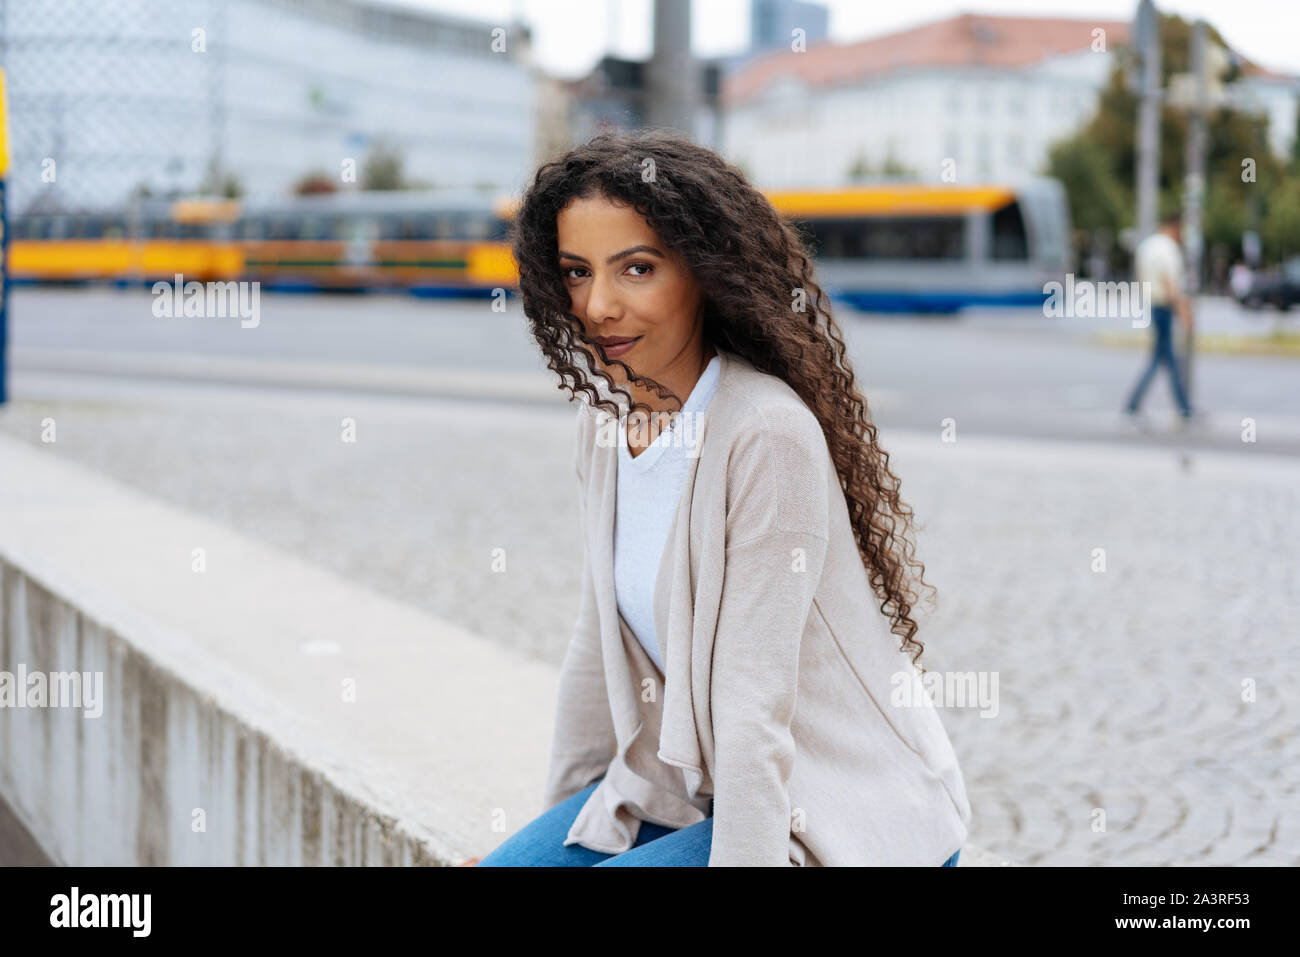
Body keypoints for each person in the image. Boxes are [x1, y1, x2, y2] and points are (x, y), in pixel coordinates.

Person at [477, 130, 969, 867]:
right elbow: (594, 642)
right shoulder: (604, 420)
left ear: (702, 273)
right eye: (577, 272)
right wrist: (559, 837)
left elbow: (753, 707)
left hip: (844, 813)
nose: (599, 305)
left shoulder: (765, 434)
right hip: (684, 793)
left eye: (636, 268)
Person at [1124, 210, 1198, 422]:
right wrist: (1182, 311)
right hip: (1164, 307)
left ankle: (1181, 406)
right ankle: (1182, 408)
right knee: (1164, 358)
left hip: (1153, 305)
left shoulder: (1147, 246)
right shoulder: (1167, 249)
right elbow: (1169, 282)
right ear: (1175, 227)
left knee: (1163, 358)